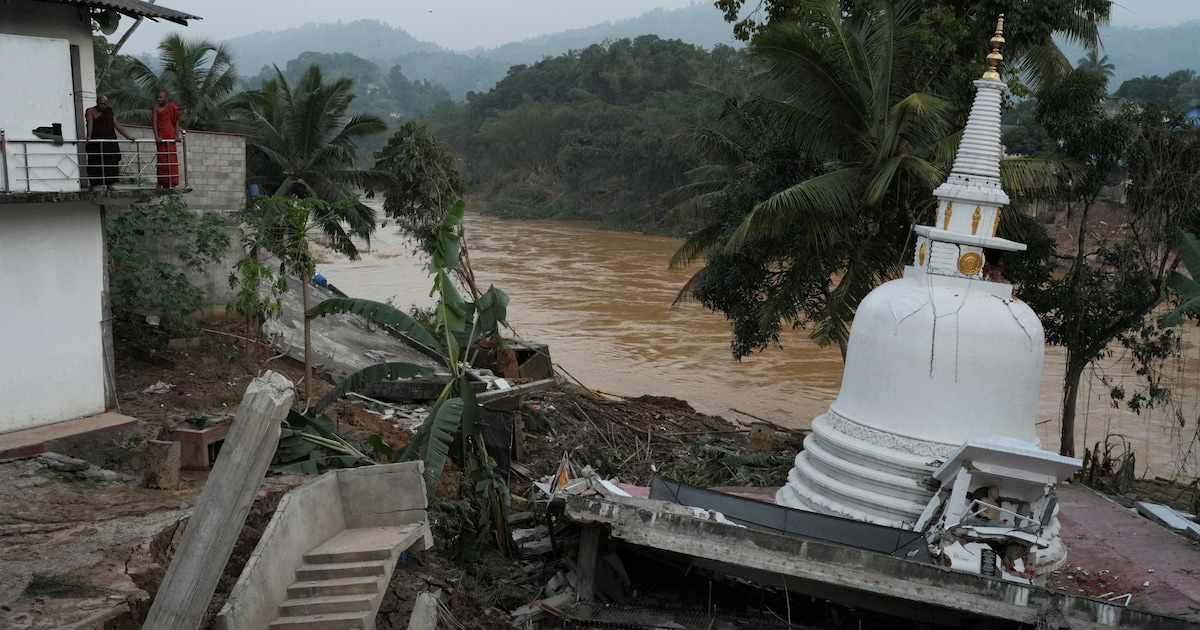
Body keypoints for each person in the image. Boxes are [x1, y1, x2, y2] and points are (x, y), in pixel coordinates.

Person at [84, 95, 133, 191]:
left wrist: (128, 137)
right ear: (97, 102)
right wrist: (89, 136)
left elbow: (116, 125)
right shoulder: (90, 111)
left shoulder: (109, 111)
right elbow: (90, 123)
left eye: (105, 104)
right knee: (94, 164)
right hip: (96, 142)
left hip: (109, 141)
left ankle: (109, 185)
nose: (103, 106)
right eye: (101, 104)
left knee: (111, 163)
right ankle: (93, 185)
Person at [151, 90, 183, 189]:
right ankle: (161, 182)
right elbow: (154, 123)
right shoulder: (156, 108)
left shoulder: (173, 108)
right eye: (158, 97)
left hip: (171, 137)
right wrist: (156, 136)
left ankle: (172, 183)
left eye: (161, 97)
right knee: (162, 161)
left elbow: (176, 123)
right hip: (161, 138)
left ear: (166, 98)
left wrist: (177, 135)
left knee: (172, 160)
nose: (159, 99)